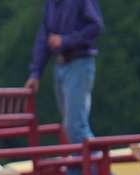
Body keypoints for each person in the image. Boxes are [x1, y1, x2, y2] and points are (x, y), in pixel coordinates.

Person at [24, 0, 103, 150]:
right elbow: (44, 37)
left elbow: (96, 26)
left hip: (79, 62)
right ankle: (82, 170)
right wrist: (35, 73)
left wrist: (66, 40)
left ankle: (100, 171)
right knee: (71, 127)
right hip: (62, 65)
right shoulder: (51, 4)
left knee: (75, 126)